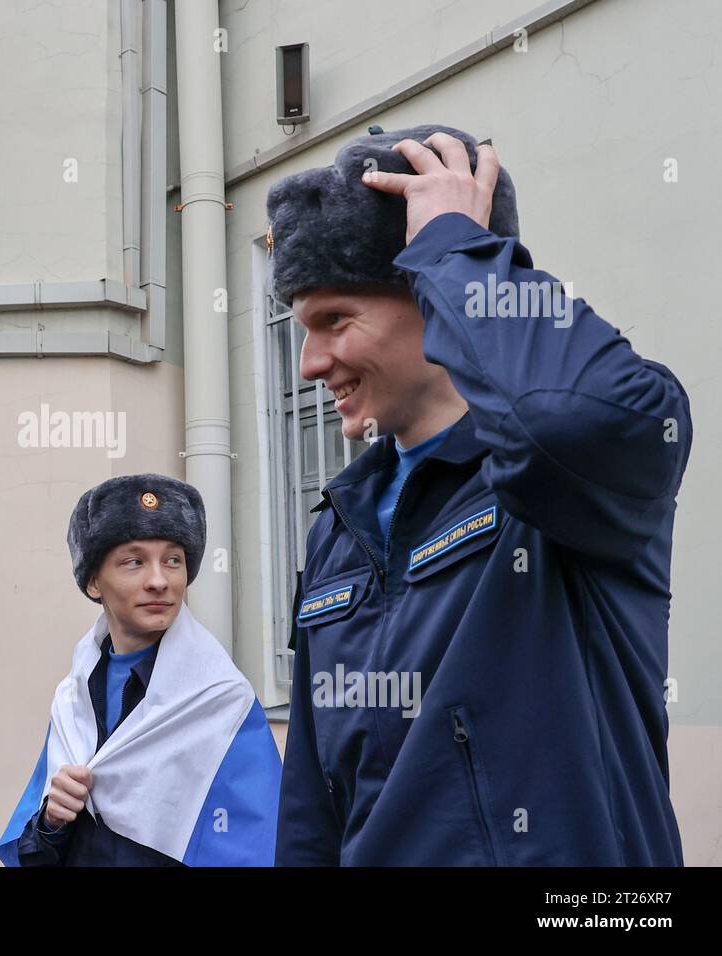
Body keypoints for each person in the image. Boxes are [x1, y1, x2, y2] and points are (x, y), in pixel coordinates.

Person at [266, 125, 690, 865]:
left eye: (335, 321)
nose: (309, 364)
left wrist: (456, 250)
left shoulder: (564, 477)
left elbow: (569, 415)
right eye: (302, 330)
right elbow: (313, 799)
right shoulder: (340, 523)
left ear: (433, 298)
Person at [0, 473, 282, 866]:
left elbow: (254, 848)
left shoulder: (219, 700)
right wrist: (51, 819)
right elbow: (37, 853)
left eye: (173, 561)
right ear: (94, 581)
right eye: (134, 562)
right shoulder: (74, 696)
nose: (159, 581)